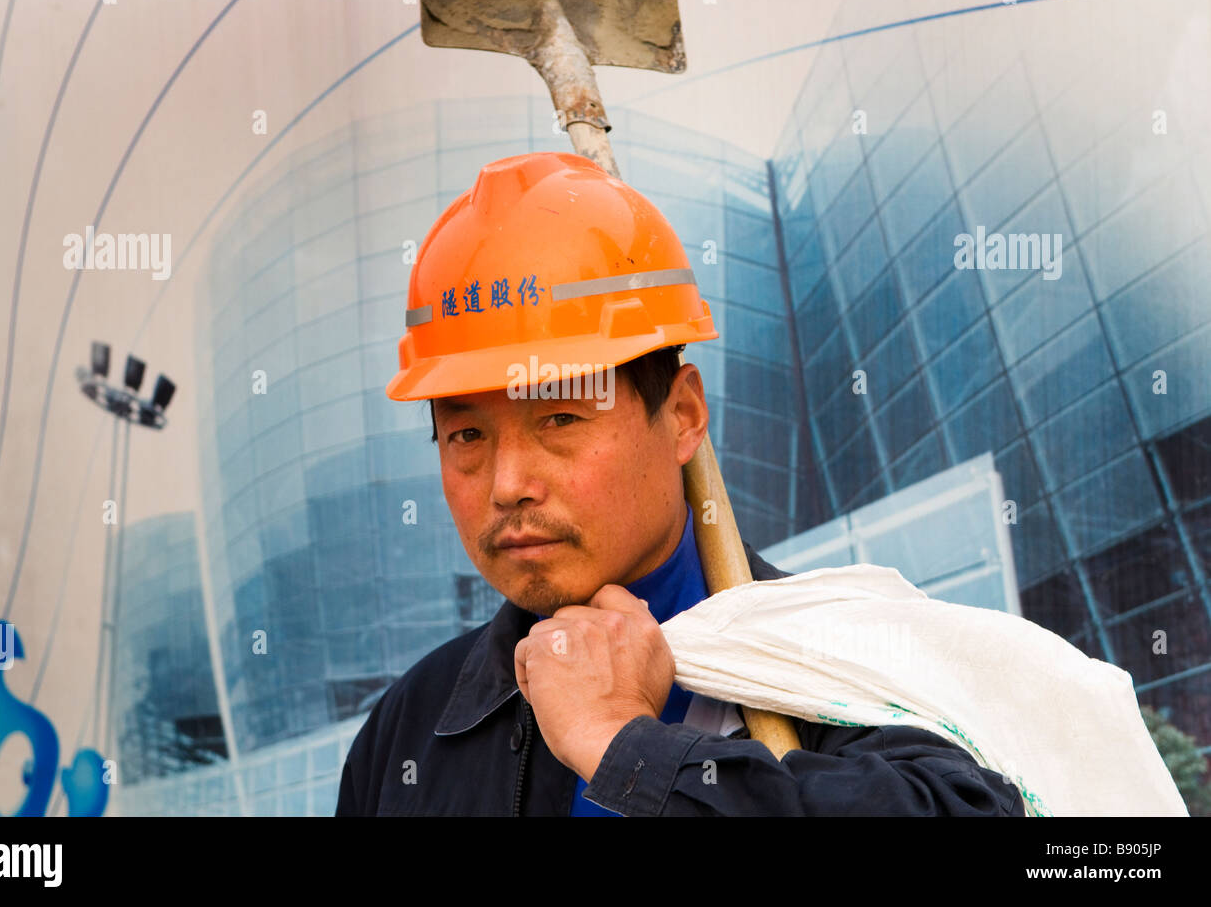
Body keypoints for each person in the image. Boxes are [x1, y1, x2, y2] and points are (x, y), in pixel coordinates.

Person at [336, 151, 1023, 816]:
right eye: (467, 435)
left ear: (684, 414)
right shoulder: (412, 732)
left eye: (560, 416)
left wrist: (625, 746)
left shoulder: (840, 668)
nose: (508, 483)